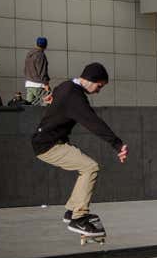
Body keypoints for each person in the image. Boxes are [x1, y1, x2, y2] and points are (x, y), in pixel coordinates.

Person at [31, 63, 128, 237]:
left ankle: (71, 212)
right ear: (91, 80)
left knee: (86, 167)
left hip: (49, 141)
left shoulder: (66, 86)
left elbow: (57, 93)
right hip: (49, 145)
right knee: (90, 168)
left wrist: (52, 97)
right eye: (99, 86)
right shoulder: (74, 96)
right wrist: (117, 144)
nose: (98, 91)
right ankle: (79, 218)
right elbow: (93, 122)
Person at [24, 37, 50, 105]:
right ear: (46, 46)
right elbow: (42, 71)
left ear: (36, 44)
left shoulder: (29, 54)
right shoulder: (41, 55)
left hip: (28, 83)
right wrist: (46, 84)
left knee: (29, 105)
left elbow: (25, 69)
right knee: (48, 101)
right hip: (38, 84)